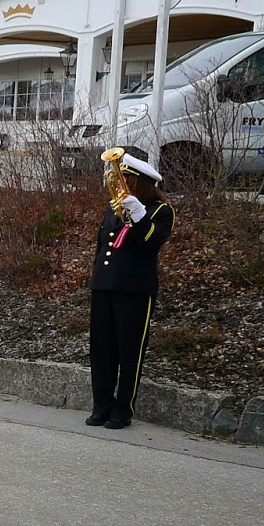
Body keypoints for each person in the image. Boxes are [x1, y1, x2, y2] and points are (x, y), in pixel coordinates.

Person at [89, 153, 174, 430]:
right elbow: (102, 247)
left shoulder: (160, 212)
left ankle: (123, 409)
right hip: (105, 286)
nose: (118, 182)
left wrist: (138, 216)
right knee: (102, 350)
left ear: (138, 182)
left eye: (124, 177)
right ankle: (101, 404)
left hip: (134, 290)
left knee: (130, 352)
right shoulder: (114, 208)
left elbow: (151, 242)